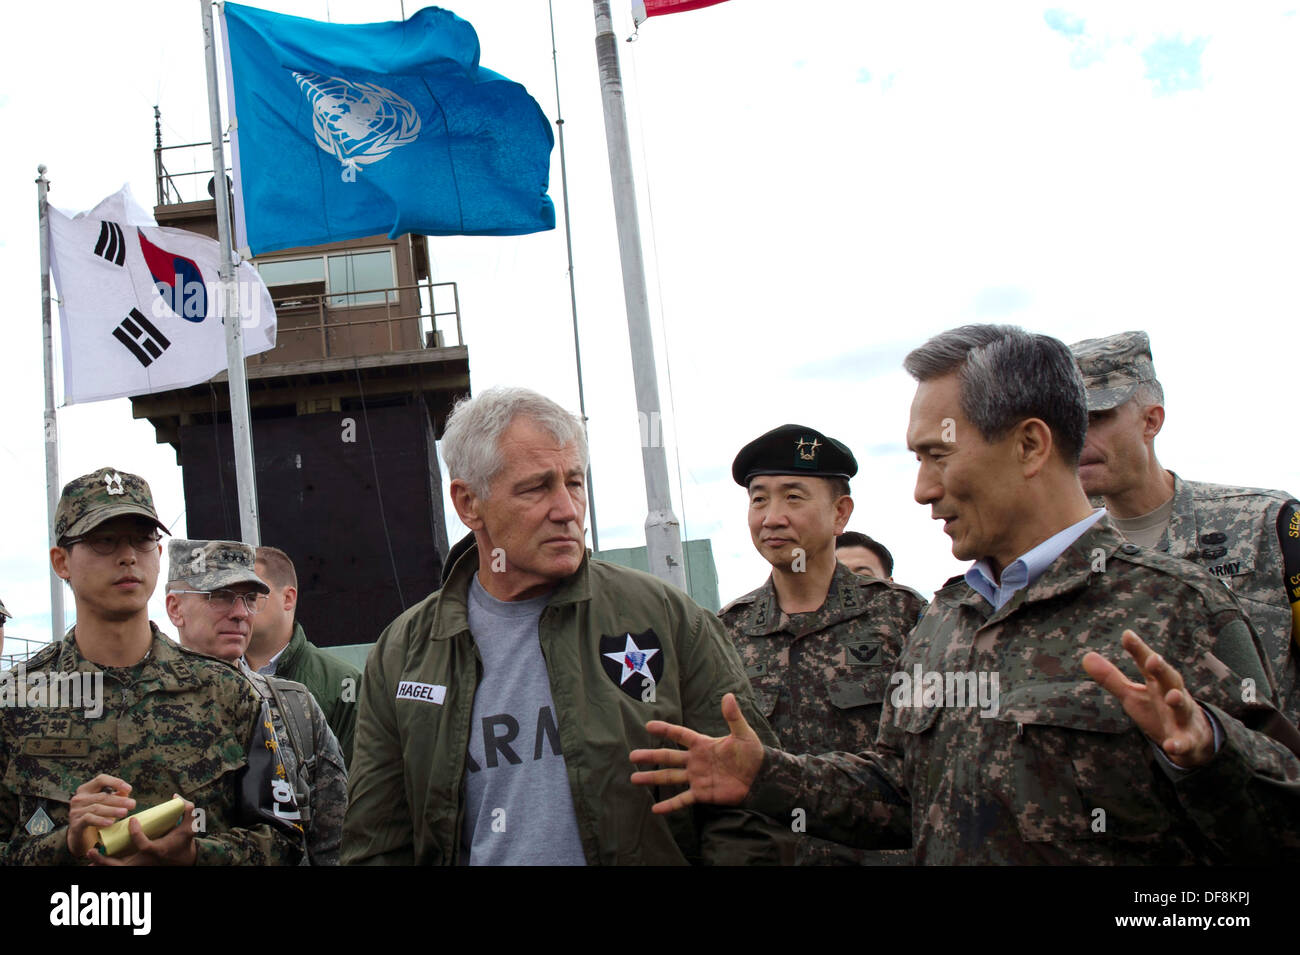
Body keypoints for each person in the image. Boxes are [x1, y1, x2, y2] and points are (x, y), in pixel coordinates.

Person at [631, 325, 1300, 865]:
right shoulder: (947, 619)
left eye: (936, 455)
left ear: (1030, 444)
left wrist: (1211, 753)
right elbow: (900, 792)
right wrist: (768, 775)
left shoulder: (1175, 607)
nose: (921, 488)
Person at [342, 386, 790, 865]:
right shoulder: (404, 652)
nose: (568, 510)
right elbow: (377, 842)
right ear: (468, 502)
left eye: (574, 483)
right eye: (537, 487)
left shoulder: (667, 617)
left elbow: (752, 804)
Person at [0, 467, 301, 865]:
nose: (127, 557)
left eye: (142, 540)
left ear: (158, 555)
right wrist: (65, 847)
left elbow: (285, 842)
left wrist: (195, 856)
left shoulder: (226, 693)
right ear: (62, 562)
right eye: (104, 541)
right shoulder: (15, 702)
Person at [1070, 330, 1300, 725]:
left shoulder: (1268, 523)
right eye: (1068, 423)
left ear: (1151, 420)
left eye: (1097, 419)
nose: (1079, 438)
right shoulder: (1061, 552)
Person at [721, 424, 925, 864]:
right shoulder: (726, 632)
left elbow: (931, 770)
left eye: (793, 497)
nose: (772, 517)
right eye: (759, 499)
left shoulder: (903, 617)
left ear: (840, 513)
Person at [166, 538, 347, 866]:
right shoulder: (141, 709)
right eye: (219, 597)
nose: (240, 613)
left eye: (249, 598)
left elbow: (335, 845)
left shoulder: (295, 707)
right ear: (175, 608)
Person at [248, 545, 361, 768]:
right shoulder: (215, 677)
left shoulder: (343, 682)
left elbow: (359, 782)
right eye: (232, 597)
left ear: (288, 598)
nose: (240, 608)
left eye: (251, 596)